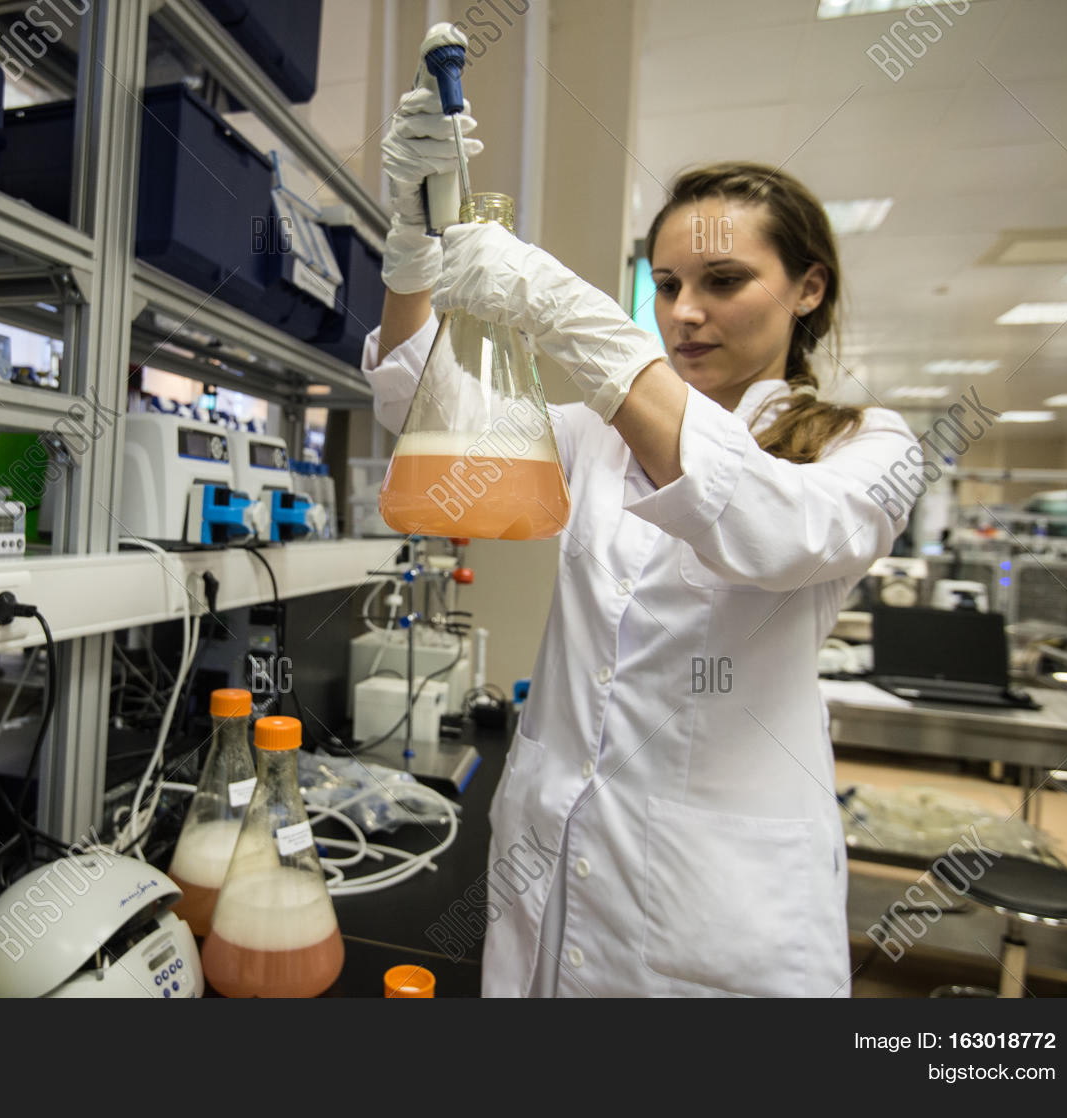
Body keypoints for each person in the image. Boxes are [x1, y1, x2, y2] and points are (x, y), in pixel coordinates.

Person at [367, 87, 920, 997]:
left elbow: (773, 528)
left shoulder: (867, 445)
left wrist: (569, 317)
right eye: (665, 286)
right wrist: (413, 253)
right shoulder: (595, 435)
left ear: (808, 288)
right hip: (549, 866)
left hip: (722, 906)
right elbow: (418, 405)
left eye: (723, 281)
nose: (685, 312)